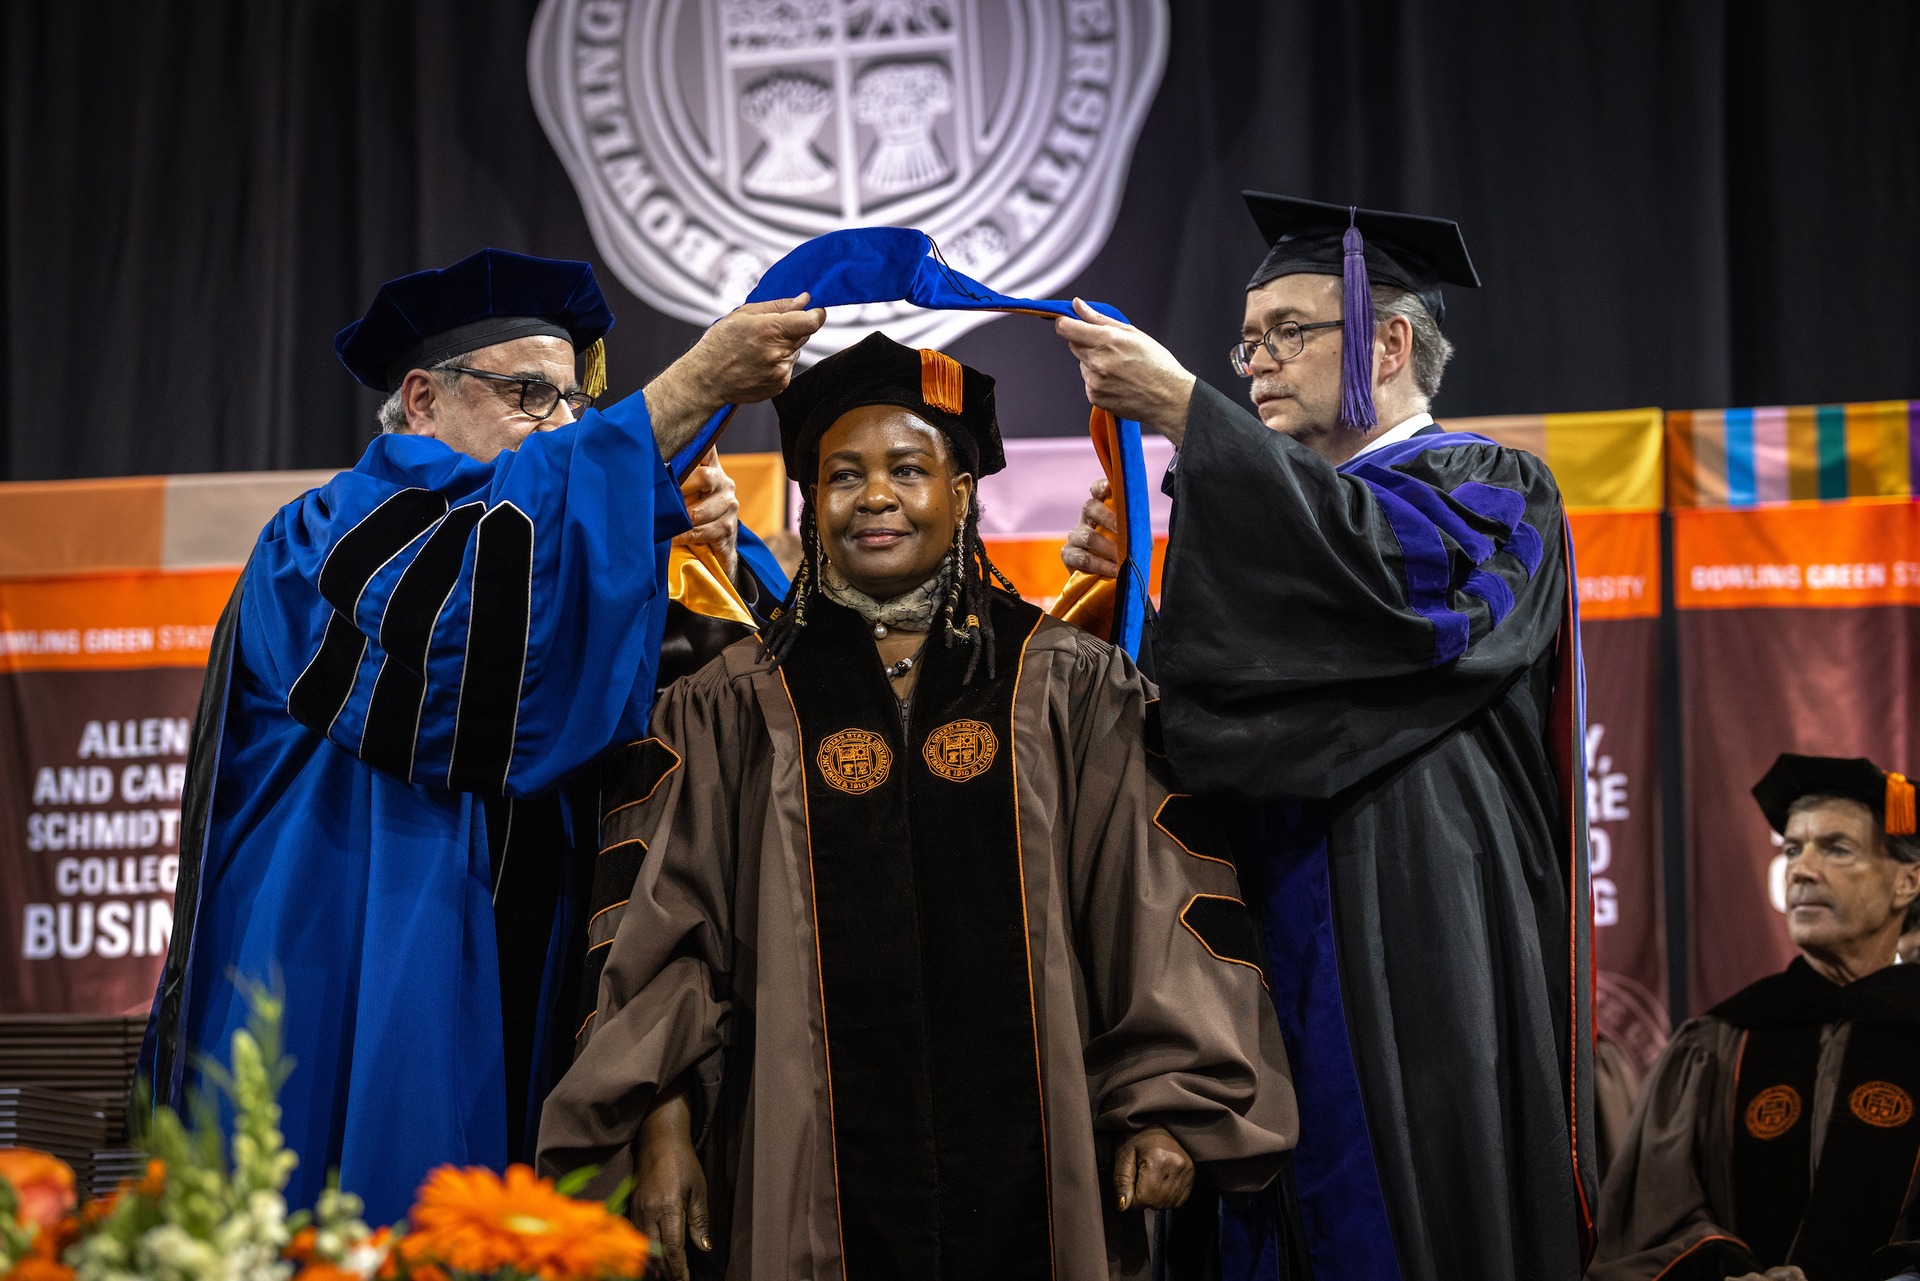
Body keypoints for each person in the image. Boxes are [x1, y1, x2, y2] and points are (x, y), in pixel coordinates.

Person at [537, 333, 1297, 1281]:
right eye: (843, 475)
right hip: (798, 1170)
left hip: (1044, 1174)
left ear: (964, 492)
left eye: (908, 468)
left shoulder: (1067, 684)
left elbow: (1152, 903)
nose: (876, 497)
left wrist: (1166, 1102)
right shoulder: (729, 703)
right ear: (814, 503)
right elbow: (661, 941)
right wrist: (661, 1127)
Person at [140, 247, 824, 1223]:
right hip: (344, 984)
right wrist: (675, 402)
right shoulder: (323, 538)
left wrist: (679, 533)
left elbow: (650, 717)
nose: (559, 427)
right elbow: (473, 626)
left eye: (572, 407)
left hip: (528, 980)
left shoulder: (552, 541)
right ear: (421, 399)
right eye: (528, 396)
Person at [1052, 193, 1595, 1281]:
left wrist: (1185, 412)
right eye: (1244, 341)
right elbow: (1216, 713)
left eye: (1285, 332)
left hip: (1417, 937)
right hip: (1259, 937)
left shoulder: (1489, 494)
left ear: (1386, 341)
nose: (1253, 362)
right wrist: (1139, 602)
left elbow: (1382, 601)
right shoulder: (1280, 515)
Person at [1592, 754, 1920, 1281]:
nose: (1801, 870)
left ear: (1907, 882)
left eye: (1836, 848)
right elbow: (1650, 1225)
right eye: (1793, 848)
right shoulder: (1723, 1039)